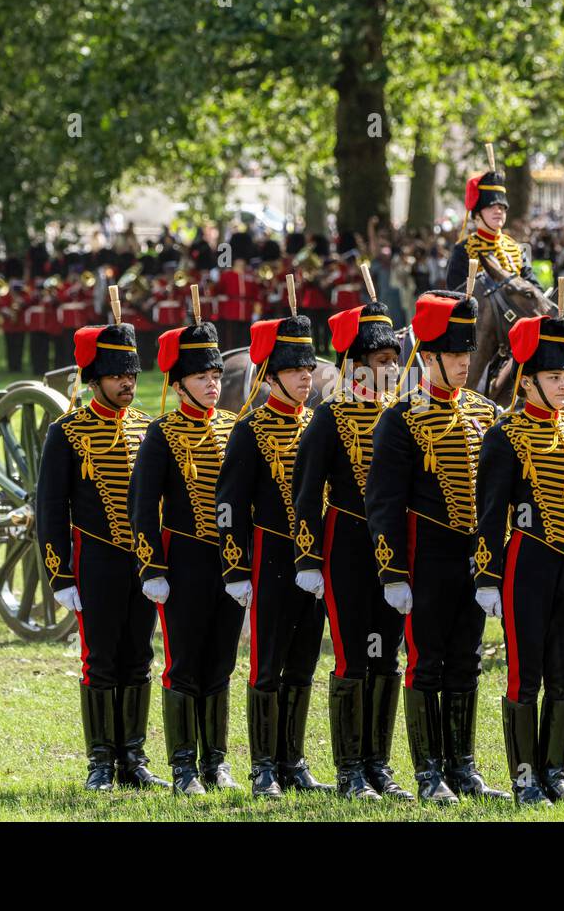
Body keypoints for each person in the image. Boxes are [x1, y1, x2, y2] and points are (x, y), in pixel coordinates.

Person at [365, 289, 507, 804]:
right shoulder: (400, 418)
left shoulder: (487, 413)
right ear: (427, 358)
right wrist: (392, 572)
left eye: (467, 354)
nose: (464, 363)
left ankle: (462, 766)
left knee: (466, 659)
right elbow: (383, 502)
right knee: (427, 662)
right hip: (425, 556)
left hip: (474, 558)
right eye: (453, 355)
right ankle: (429, 772)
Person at [474, 314, 564, 806]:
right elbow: (489, 514)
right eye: (554, 378)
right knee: (523, 675)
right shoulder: (505, 435)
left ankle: (557, 774)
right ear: (527, 381)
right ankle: (525, 778)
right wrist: (486, 577)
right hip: (525, 562)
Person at [292, 298, 414, 800]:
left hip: (396, 552)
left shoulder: (405, 416)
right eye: (382, 362)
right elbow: (305, 493)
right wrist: (308, 558)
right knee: (352, 659)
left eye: (393, 360)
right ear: (357, 365)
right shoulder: (328, 417)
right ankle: (350, 771)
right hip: (346, 543)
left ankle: (378, 765)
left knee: (387, 656)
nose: (392, 369)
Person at [35, 322, 165, 791]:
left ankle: (134, 758)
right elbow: (50, 509)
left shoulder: (149, 427)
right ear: (95, 379)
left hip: (143, 562)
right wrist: (60, 575)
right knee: (100, 661)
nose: (127, 383)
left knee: (139, 656)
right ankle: (100, 762)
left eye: (131, 374)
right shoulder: (66, 432)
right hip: (96, 562)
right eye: (116, 376)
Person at [216, 313, 331, 798]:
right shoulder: (249, 429)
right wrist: (237, 568)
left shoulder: (320, 424)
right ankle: (263, 765)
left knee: (304, 662)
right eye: (293, 369)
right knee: (268, 664)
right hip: (269, 557)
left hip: (315, 560)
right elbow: (229, 506)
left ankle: (293, 760)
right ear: (269, 376)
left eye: (308, 368)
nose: (306, 377)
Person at [128, 315, 243, 795]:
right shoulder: (161, 434)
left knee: (221, 662)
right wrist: (152, 565)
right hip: (184, 562)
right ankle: (183, 767)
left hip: (230, 564)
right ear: (178, 385)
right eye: (202, 377)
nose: (213, 384)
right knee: (184, 664)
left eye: (216, 376)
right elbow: (141, 506)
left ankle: (216, 762)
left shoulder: (236, 428)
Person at [446, 158, 540, 292]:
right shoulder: (463, 250)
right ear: (478, 214)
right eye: (491, 206)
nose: (498, 211)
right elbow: (455, 296)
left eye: (502, 206)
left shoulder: (516, 249)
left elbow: (535, 291)